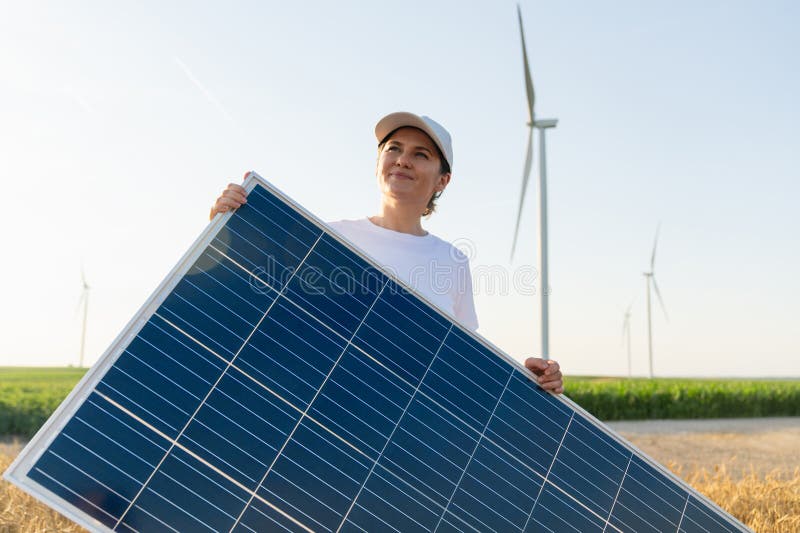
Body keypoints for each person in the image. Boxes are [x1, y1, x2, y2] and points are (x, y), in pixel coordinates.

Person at [210, 112, 564, 394]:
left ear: (443, 181)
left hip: (396, 443)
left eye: (420, 154)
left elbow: (458, 367)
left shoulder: (452, 261)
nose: (403, 160)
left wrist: (526, 382)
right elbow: (255, 310)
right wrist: (227, 229)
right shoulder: (325, 238)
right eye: (393, 149)